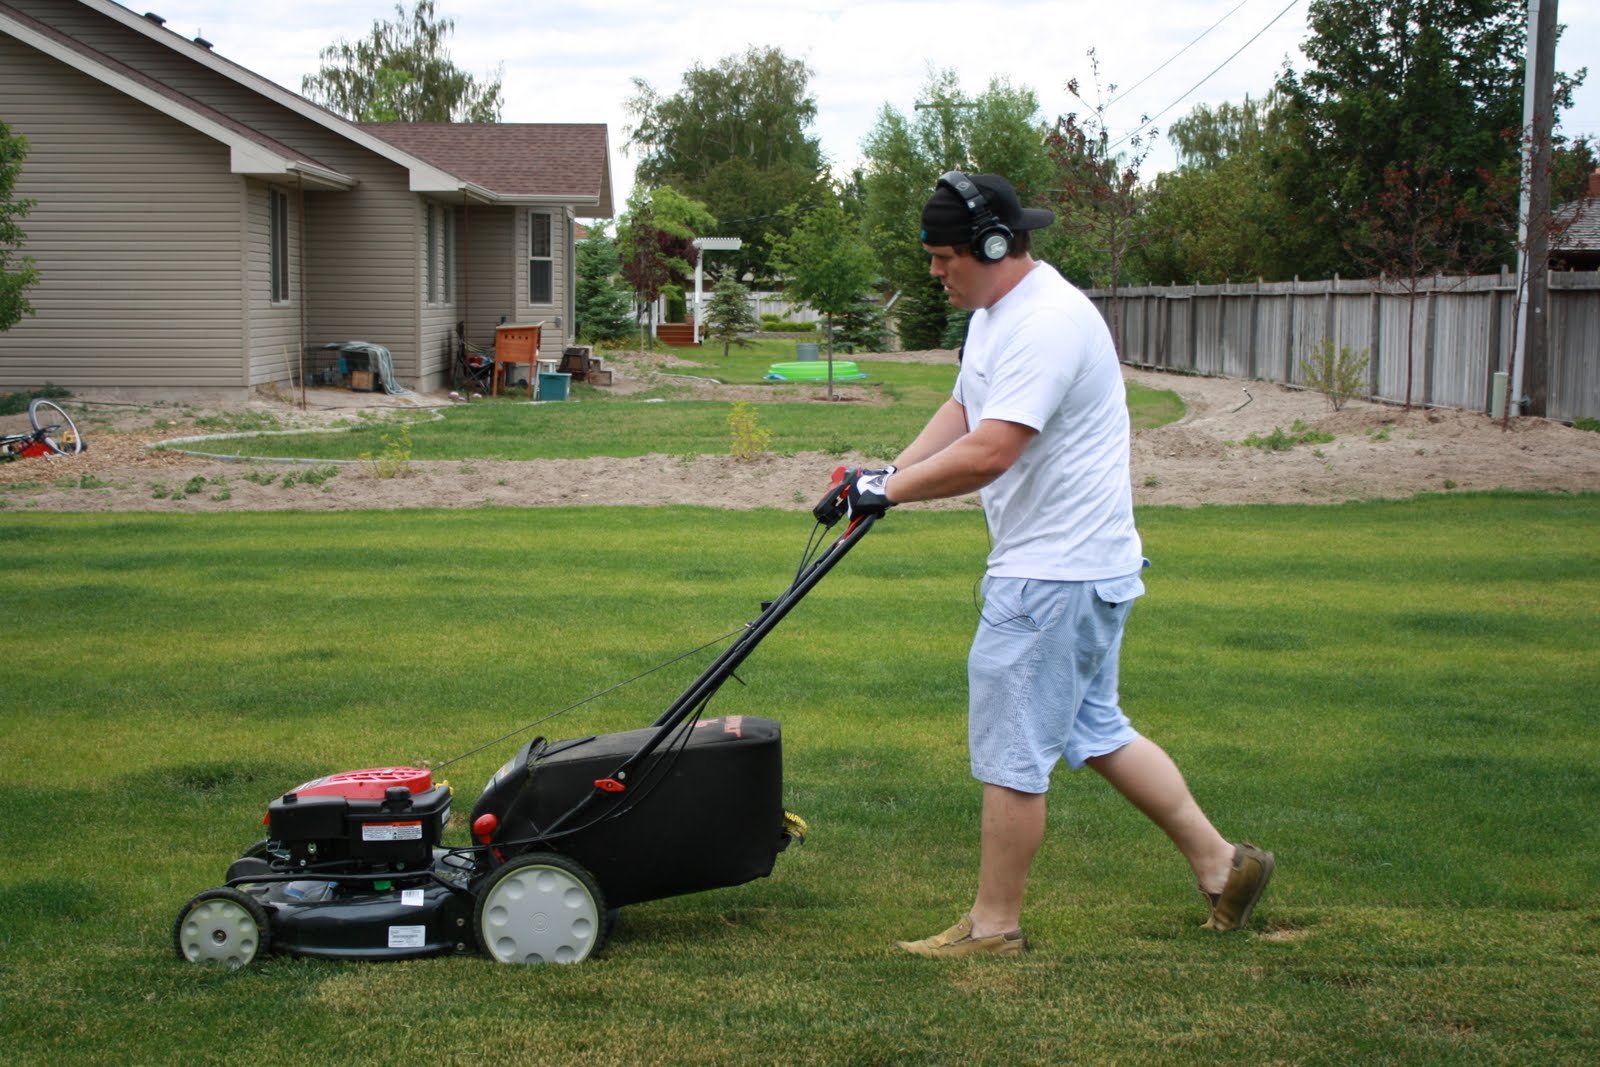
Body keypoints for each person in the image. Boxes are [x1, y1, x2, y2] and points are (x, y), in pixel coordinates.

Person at [832, 172, 1273, 957]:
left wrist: (891, 493)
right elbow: (966, 408)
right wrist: (879, 476)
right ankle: (1224, 864)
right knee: (1096, 729)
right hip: (1082, 563)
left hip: (1054, 572)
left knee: (1012, 749)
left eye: (943, 258)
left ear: (994, 247)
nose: (936, 273)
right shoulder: (999, 315)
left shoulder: (1046, 322)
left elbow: (993, 451)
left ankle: (995, 927)